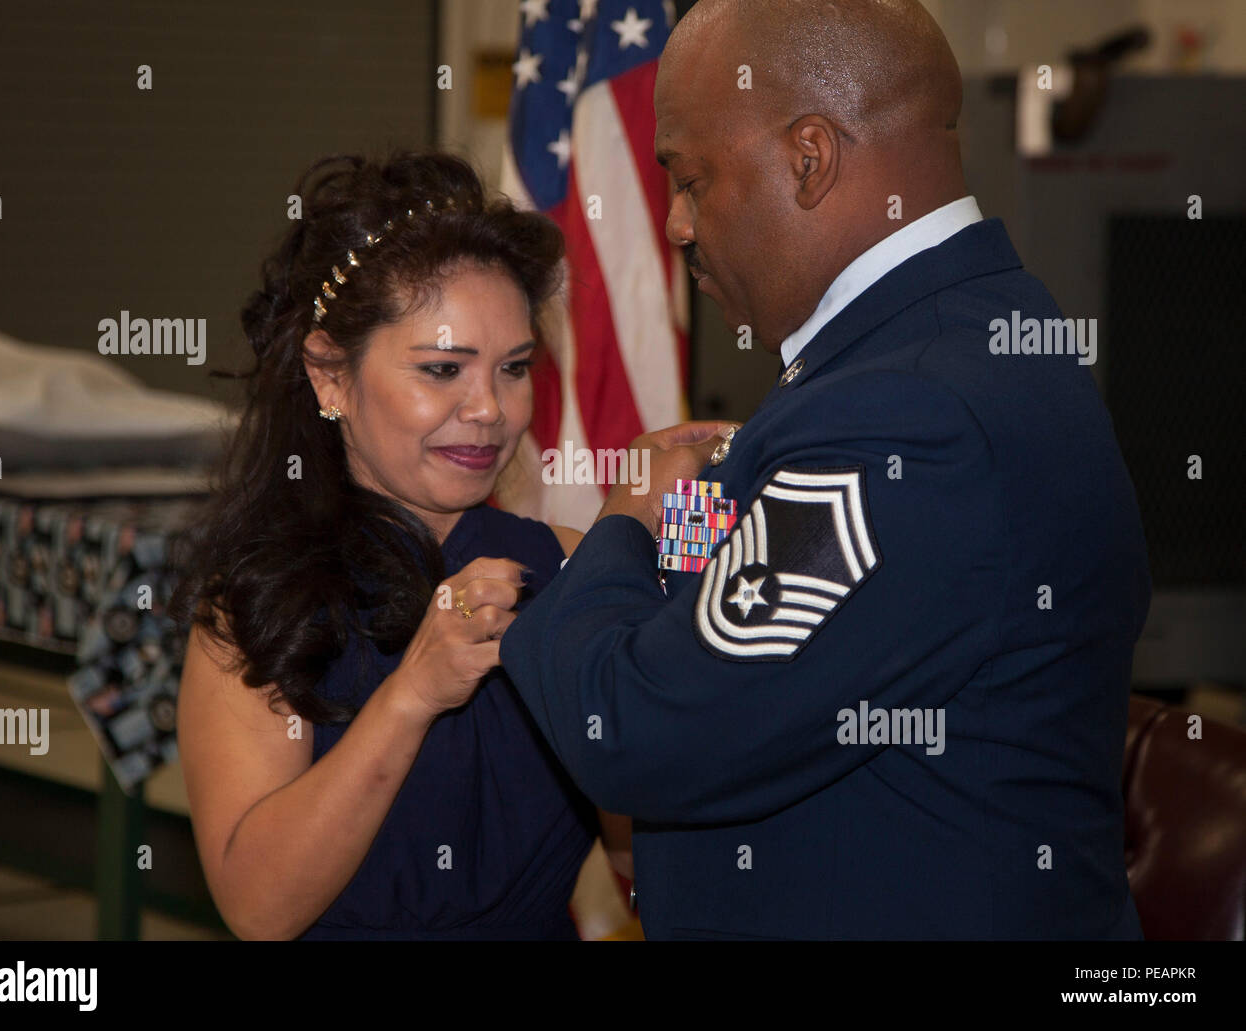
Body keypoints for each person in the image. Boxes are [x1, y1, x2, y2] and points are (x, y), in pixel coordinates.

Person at [500, 0, 1150, 939]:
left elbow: (640, 727)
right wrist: (672, 530)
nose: (676, 225)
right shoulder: (958, 338)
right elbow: (737, 607)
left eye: (690, 178)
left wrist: (623, 525)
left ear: (810, 157)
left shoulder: (907, 412)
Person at [168, 151, 632, 940]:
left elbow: (642, 856)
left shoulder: (566, 570)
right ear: (330, 376)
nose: (488, 409)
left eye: (513, 368)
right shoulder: (258, 606)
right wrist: (412, 693)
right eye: (443, 369)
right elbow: (257, 906)